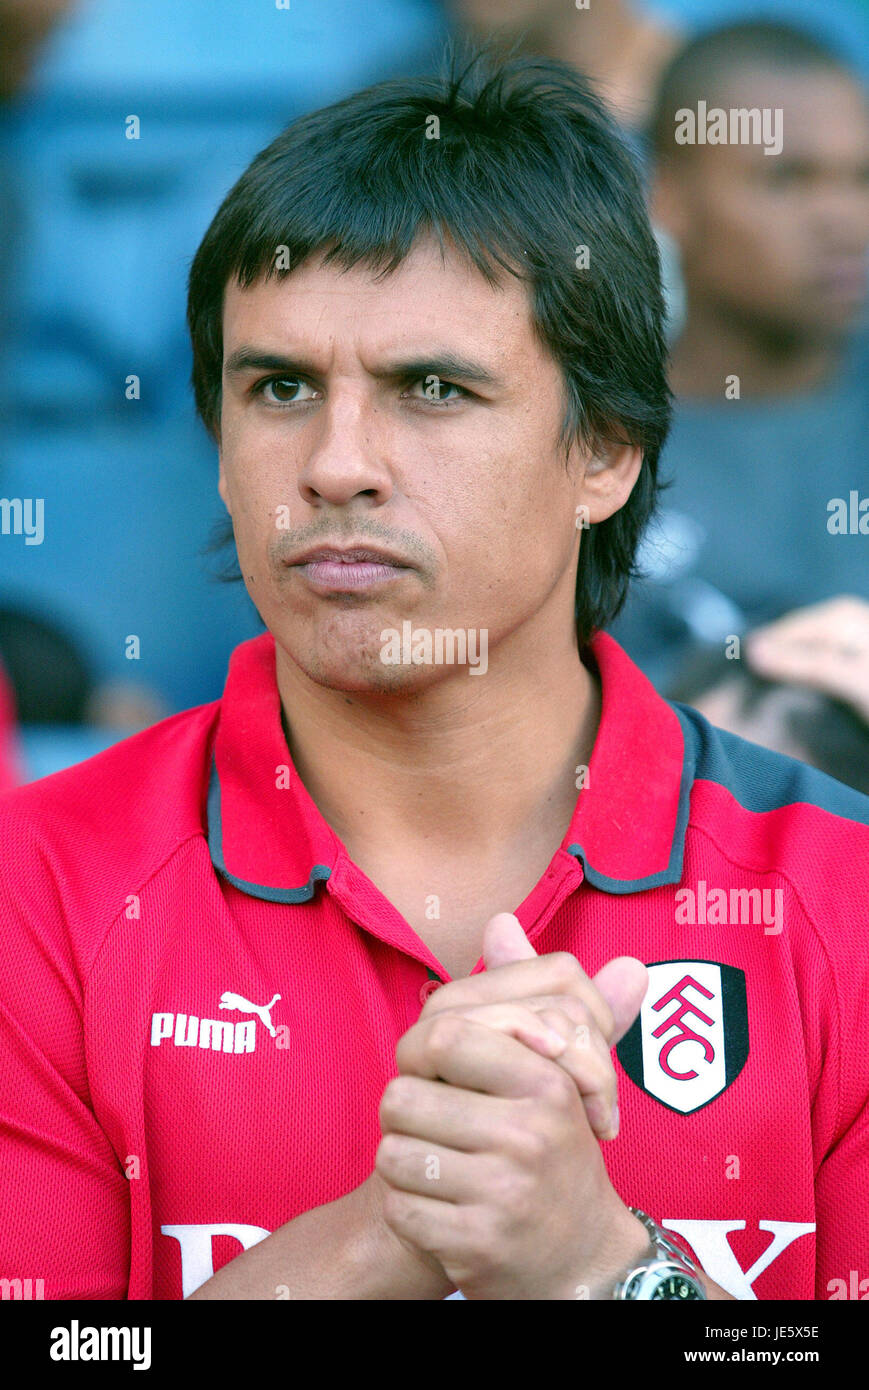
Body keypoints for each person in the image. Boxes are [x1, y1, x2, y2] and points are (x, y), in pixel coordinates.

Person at [0, 47, 867, 1303]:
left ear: (606, 454)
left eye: (432, 388)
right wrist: (385, 1236)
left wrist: (600, 1269)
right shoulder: (36, 887)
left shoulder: (842, 895)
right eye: (280, 386)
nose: (336, 463)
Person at [610, 20, 869, 686]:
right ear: (667, 198)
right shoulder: (599, 444)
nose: (841, 218)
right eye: (785, 179)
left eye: (860, 177)